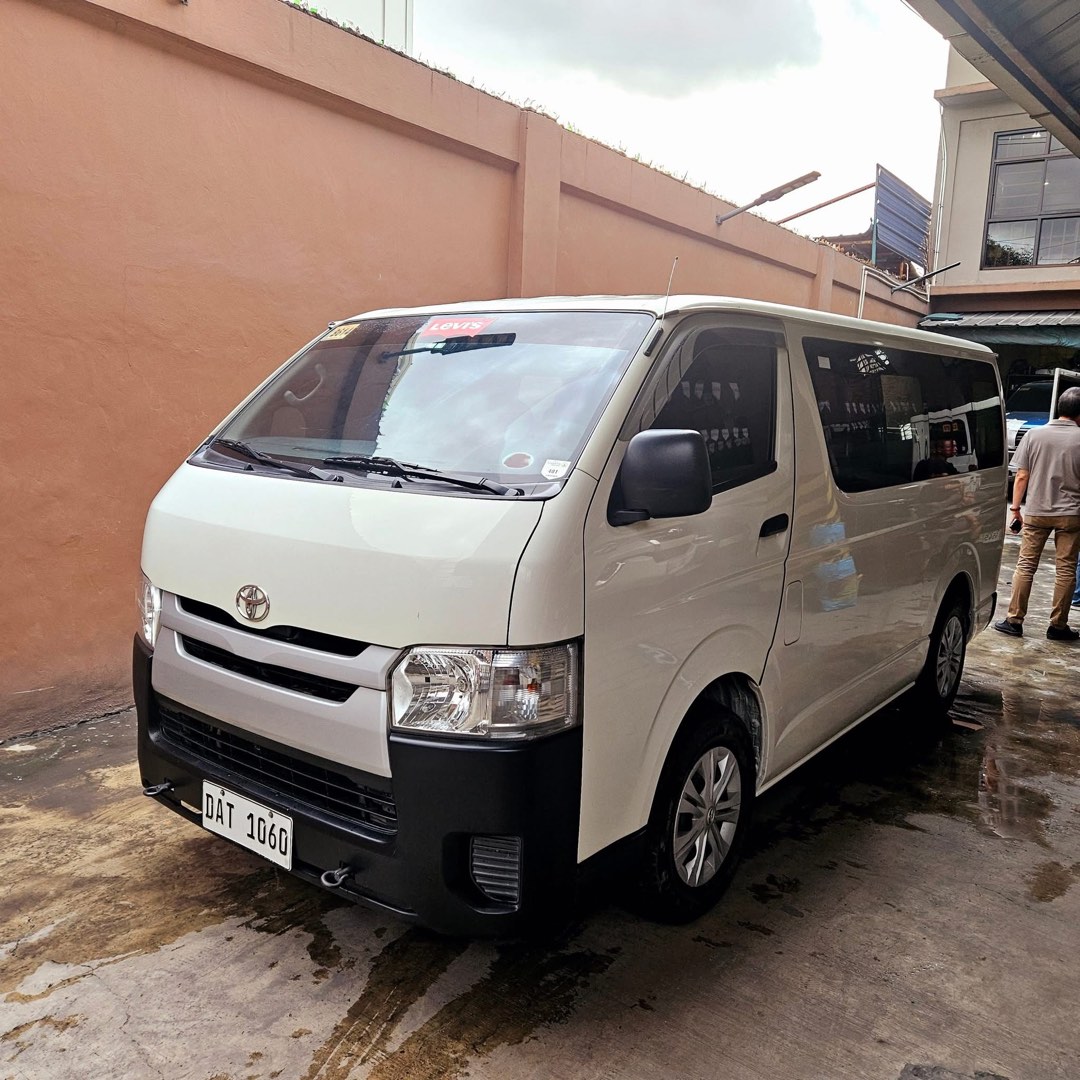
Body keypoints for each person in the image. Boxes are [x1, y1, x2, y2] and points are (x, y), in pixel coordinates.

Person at [995, 386, 1080, 640]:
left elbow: (1021, 475)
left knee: (1026, 565)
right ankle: (1057, 626)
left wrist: (1015, 509)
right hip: (1071, 515)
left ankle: (1014, 620)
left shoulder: (1034, 435)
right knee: (1066, 569)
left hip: (1036, 511)